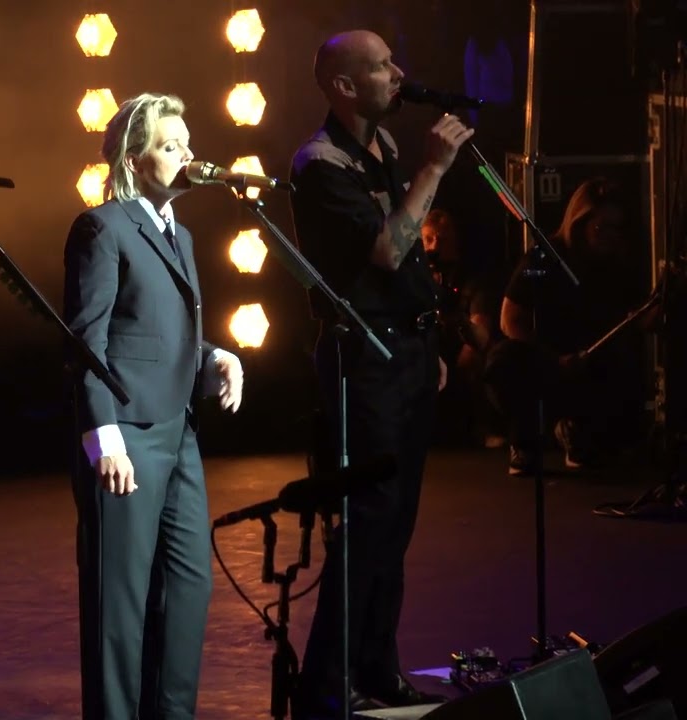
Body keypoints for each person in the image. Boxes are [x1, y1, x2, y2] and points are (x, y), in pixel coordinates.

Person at [286, 30, 474, 718]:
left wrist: (432, 339)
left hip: (409, 354)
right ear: (343, 86)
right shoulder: (320, 162)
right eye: (381, 66)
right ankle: (328, 682)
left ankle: (378, 668)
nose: (399, 73)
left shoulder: (384, 147)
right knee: (367, 522)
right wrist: (436, 168)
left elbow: (409, 268)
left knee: (396, 527)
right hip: (364, 362)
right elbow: (389, 250)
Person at [63, 92, 244, 720]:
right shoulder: (103, 226)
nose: (188, 155)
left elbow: (159, 332)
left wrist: (217, 354)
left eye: (186, 142)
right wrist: (103, 438)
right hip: (128, 435)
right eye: (171, 146)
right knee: (121, 604)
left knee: (188, 588)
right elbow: (88, 340)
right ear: (136, 161)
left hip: (179, 431)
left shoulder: (180, 234)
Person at [485, 177, 653, 474]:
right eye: (602, 227)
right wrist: (551, 360)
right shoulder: (544, 256)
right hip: (546, 359)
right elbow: (510, 316)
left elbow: (634, 318)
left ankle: (582, 432)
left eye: (617, 228)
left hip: (592, 363)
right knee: (505, 359)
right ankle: (525, 440)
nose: (610, 236)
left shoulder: (619, 265)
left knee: (624, 360)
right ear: (580, 222)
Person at [422, 208, 506, 447]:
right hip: (421, 347)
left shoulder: (474, 279)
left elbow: (481, 333)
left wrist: (459, 320)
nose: (435, 246)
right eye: (429, 239)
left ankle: (482, 427)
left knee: (478, 357)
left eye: (443, 238)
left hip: (458, 348)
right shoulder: (414, 276)